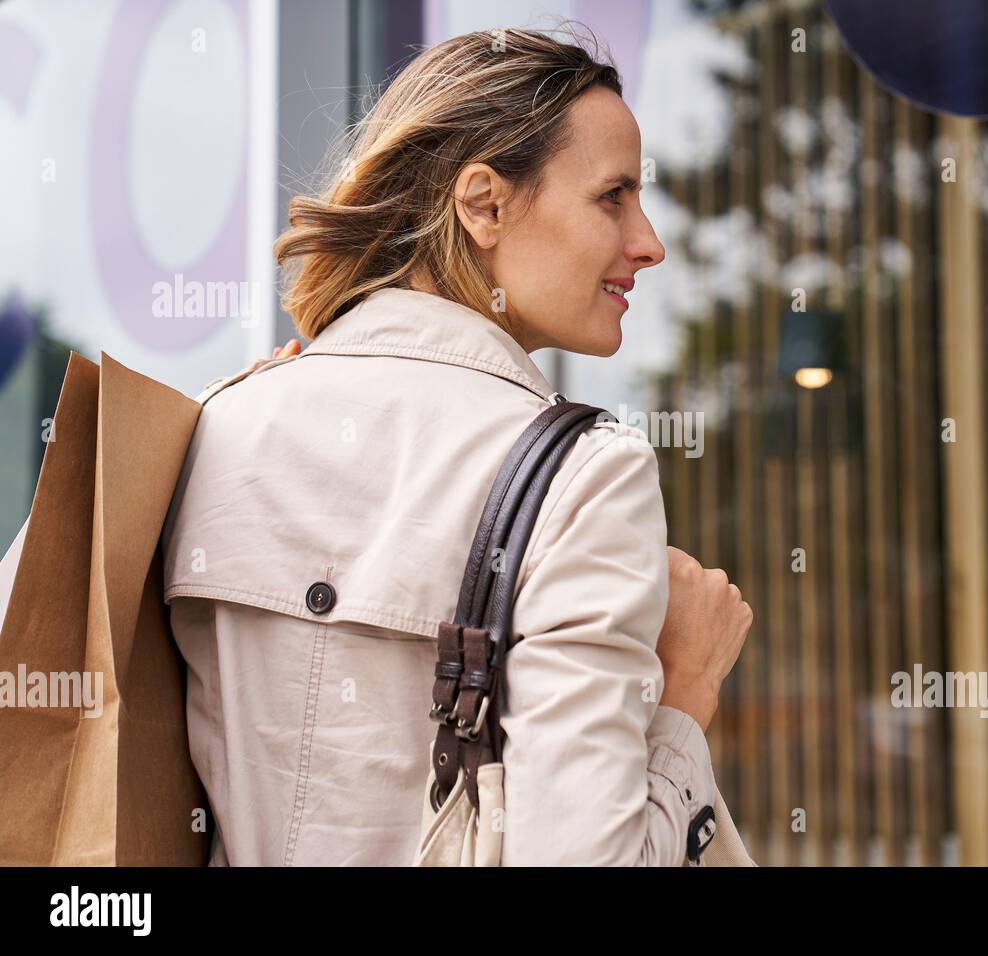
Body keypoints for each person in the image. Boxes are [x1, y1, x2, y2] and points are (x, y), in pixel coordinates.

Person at [159, 26, 753, 866]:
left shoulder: (210, 426)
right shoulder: (586, 476)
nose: (648, 242)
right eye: (612, 195)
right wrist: (683, 701)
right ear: (483, 204)